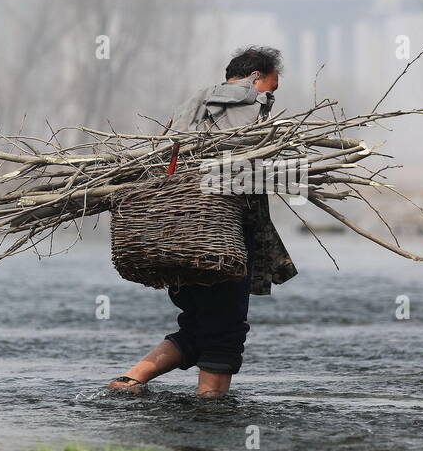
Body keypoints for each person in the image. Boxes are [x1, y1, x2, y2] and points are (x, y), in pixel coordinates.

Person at [109, 46, 297, 398]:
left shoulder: (191, 104)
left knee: (197, 323)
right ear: (256, 77)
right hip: (219, 238)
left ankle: (128, 382)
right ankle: (210, 410)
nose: (271, 95)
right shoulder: (251, 105)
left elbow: (167, 164)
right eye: (271, 87)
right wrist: (289, 175)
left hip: (176, 237)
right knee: (226, 330)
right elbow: (240, 174)